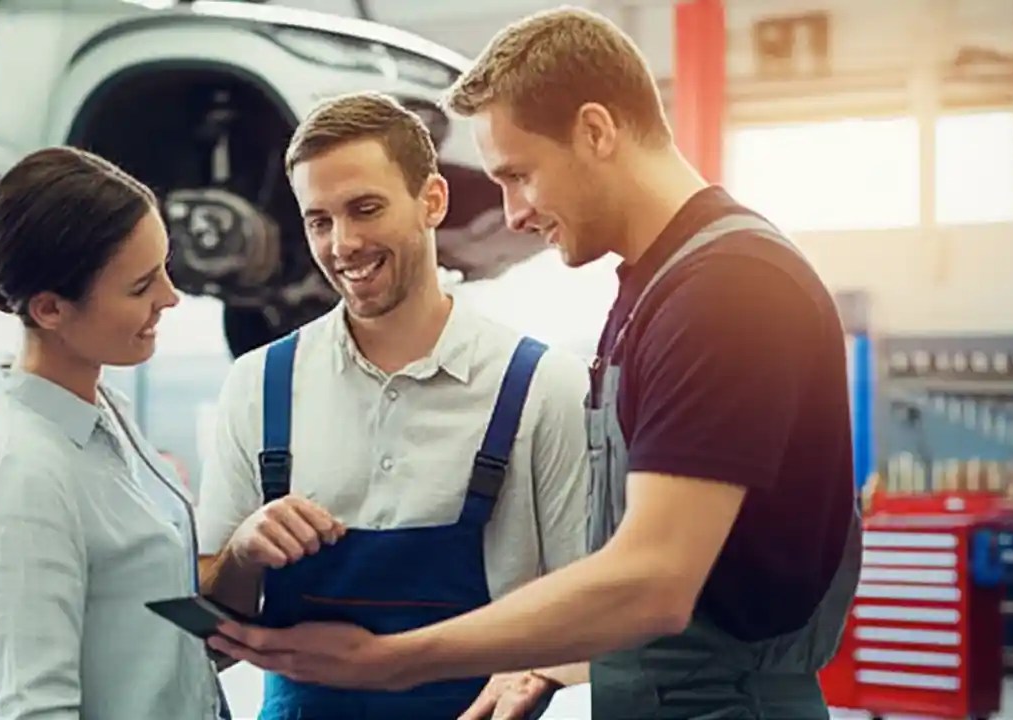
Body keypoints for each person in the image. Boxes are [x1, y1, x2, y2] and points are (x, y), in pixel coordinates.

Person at [207, 7, 863, 720]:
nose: (513, 213)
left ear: (596, 130)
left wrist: (396, 661)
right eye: (319, 220)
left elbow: (653, 581)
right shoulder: (656, 292)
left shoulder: (725, 291)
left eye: (520, 175)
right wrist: (549, 664)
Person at [193, 91, 590, 719]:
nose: (343, 243)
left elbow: (594, 611)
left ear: (432, 200)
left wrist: (539, 669)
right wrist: (243, 550)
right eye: (319, 220)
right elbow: (210, 643)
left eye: (365, 209)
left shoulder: (545, 387)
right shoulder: (258, 386)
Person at [0, 146, 228, 720]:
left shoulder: (106, 411)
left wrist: (245, 564)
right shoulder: (26, 471)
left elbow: (146, 614)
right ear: (51, 309)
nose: (171, 298)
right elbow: (36, 707)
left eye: (165, 269)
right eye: (141, 286)